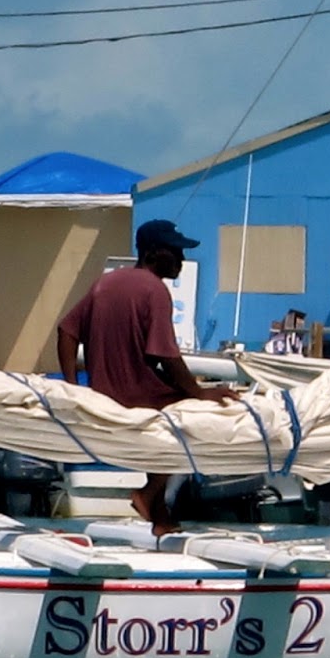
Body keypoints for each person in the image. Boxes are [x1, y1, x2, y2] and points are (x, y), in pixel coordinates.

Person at [57, 218, 235, 535]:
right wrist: (198, 393)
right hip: (138, 394)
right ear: (152, 254)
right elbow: (167, 355)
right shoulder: (155, 290)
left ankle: (160, 517)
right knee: (195, 419)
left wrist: (75, 389)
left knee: (180, 403)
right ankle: (149, 493)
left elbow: (66, 331)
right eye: (175, 252)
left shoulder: (106, 283)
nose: (181, 260)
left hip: (103, 393)